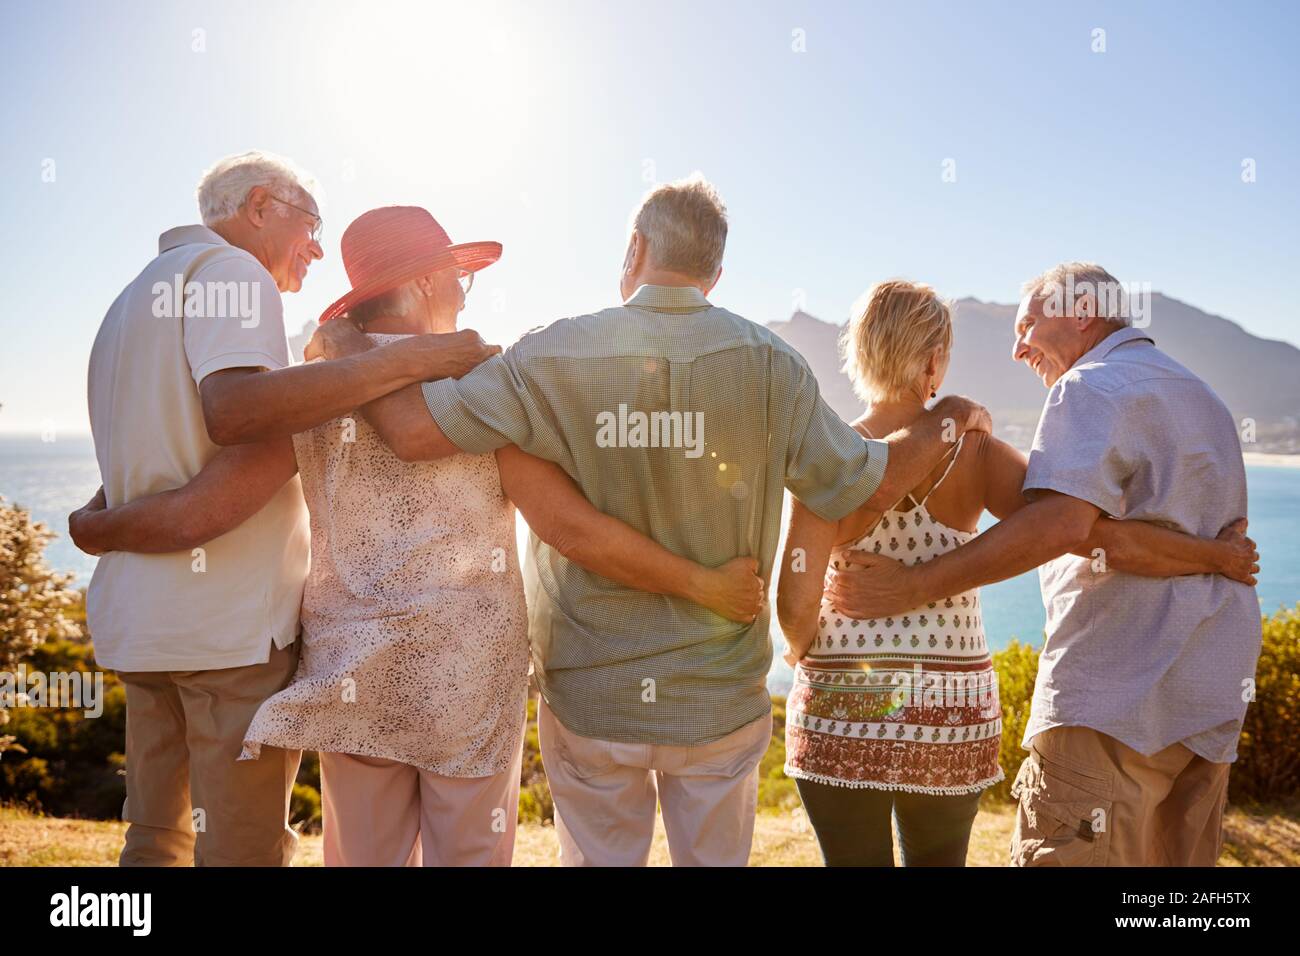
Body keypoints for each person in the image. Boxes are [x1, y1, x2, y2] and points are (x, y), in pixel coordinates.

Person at [306, 175, 994, 866]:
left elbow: (418, 432)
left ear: (634, 248)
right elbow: (862, 481)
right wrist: (945, 418)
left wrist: (353, 347)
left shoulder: (549, 355)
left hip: (591, 697)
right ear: (715, 272)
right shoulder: (772, 365)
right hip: (717, 700)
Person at [73, 205, 763, 867]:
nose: (462, 298)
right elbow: (564, 524)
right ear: (428, 281)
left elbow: (207, 509)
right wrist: (694, 578)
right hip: (467, 680)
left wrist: (104, 523)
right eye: (458, 281)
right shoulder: (484, 383)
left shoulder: (309, 388)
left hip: (354, 678)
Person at [77, 151, 497, 867]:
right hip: (224, 633)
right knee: (241, 850)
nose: (314, 246)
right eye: (310, 224)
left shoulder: (128, 302)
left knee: (156, 840)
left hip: (142, 626)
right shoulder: (232, 272)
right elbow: (239, 418)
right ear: (261, 206)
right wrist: (407, 361)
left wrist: (101, 525)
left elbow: (144, 466)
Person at [777, 279, 1259, 866]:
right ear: (935, 360)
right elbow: (1084, 532)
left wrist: (802, 650)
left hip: (842, 700)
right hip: (949, 713)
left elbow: (795, 607)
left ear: (859, 353)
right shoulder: (975, 452)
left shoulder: (828, 456)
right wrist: (1213, 556)